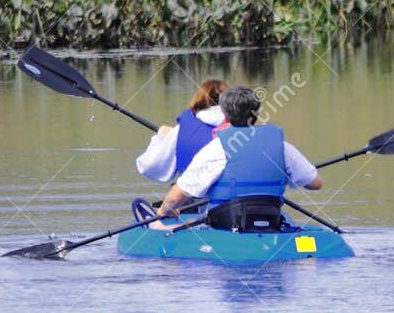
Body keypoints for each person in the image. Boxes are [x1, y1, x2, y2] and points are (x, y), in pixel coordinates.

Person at [150, 84, 322, 227]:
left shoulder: (216, 149)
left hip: (226, 225)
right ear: (256, 113)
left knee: (166, 225)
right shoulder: (282, 146)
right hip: (270, 221)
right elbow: (316, 184)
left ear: (225, 115)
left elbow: (176, 196)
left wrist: (163, 212)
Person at [135, 78, 227, 183]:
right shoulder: (243, 128)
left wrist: (160, 138)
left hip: (193, 194)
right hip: (237, 193)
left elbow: (148, 166)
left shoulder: (181, 131)